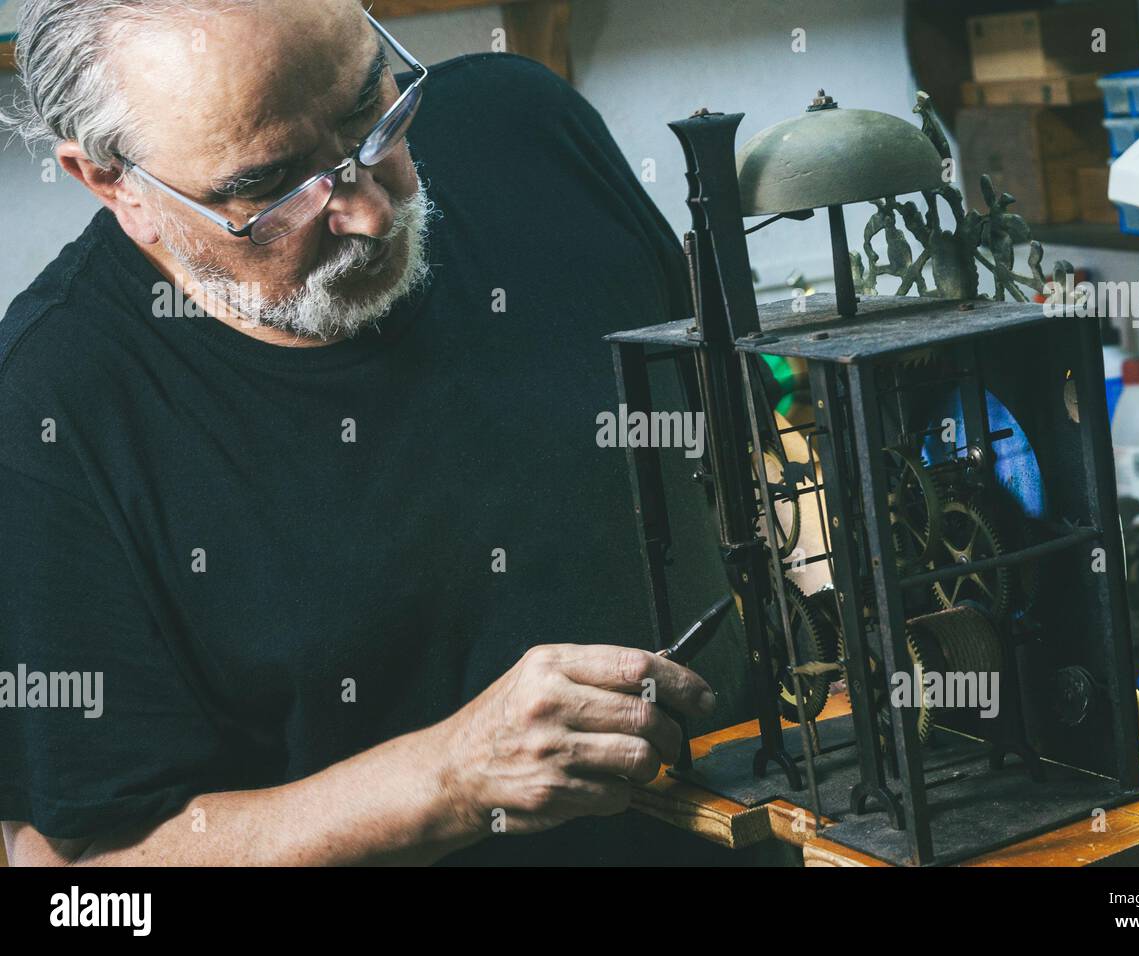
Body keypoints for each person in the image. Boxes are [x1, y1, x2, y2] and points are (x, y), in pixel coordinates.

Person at [0, 0, 743, 866]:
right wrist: (447, 780)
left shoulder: (528, 127)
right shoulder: (47, 418)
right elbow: (82, 888)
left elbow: (724, 451)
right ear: (113, 183)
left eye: (370, 111)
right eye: (273, 187)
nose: (374, 209)